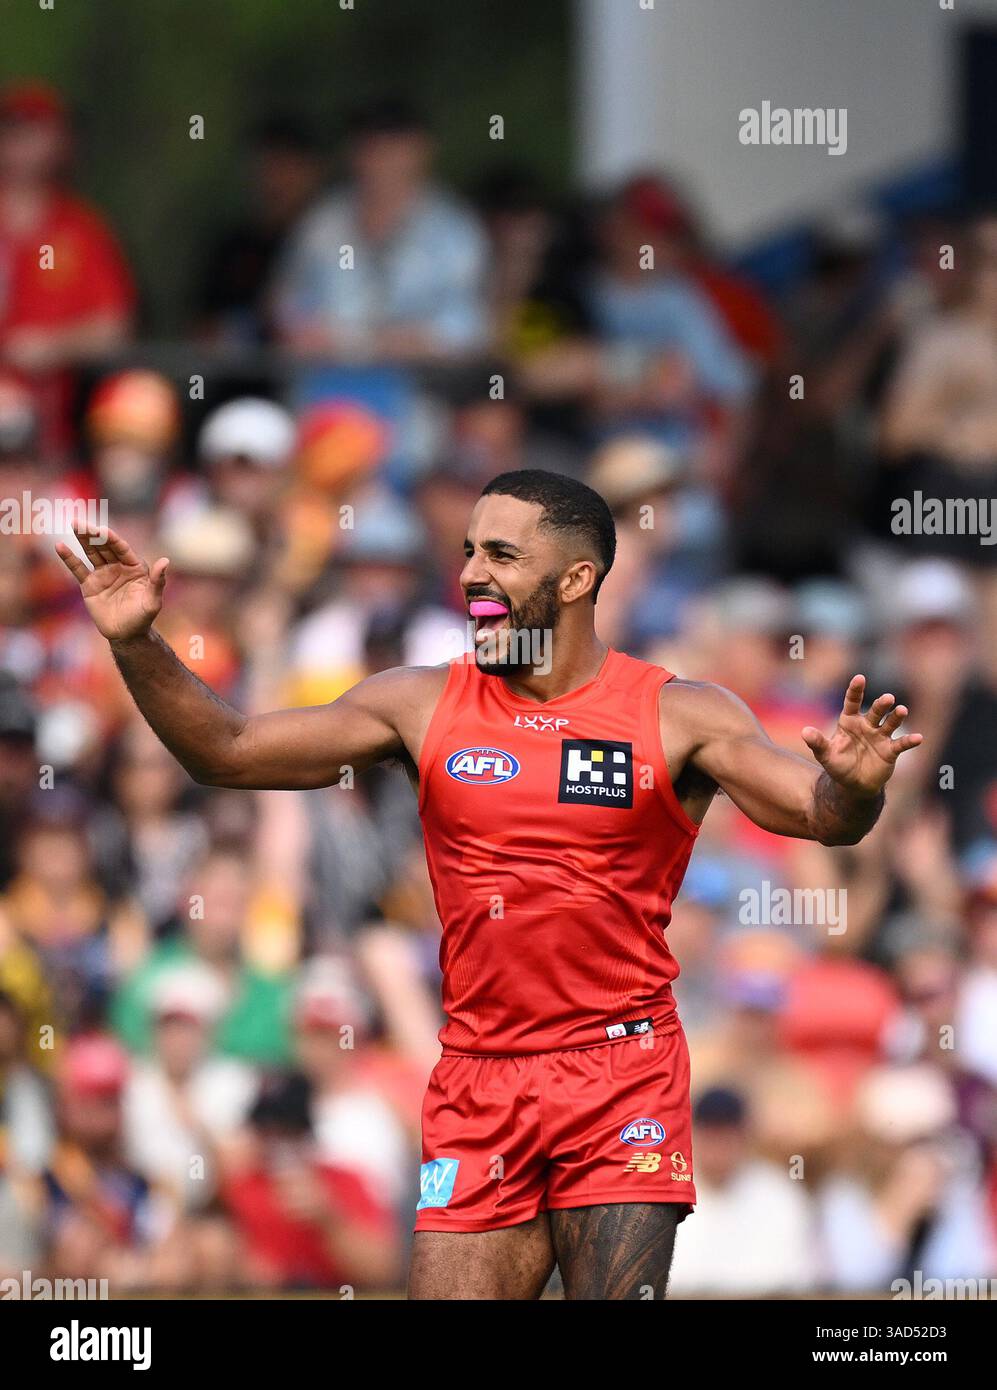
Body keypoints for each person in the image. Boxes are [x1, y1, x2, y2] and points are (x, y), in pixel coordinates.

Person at [56, 469, 922, 1300]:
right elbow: (228, 751)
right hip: (478, 1079)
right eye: (469, 550)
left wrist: (851, 784)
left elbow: (817, 817)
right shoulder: (418, 703)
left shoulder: (679, 713)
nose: (470, 571)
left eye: (501, 555)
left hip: (621, 1072)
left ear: (577, 578)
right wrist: (136, 641)